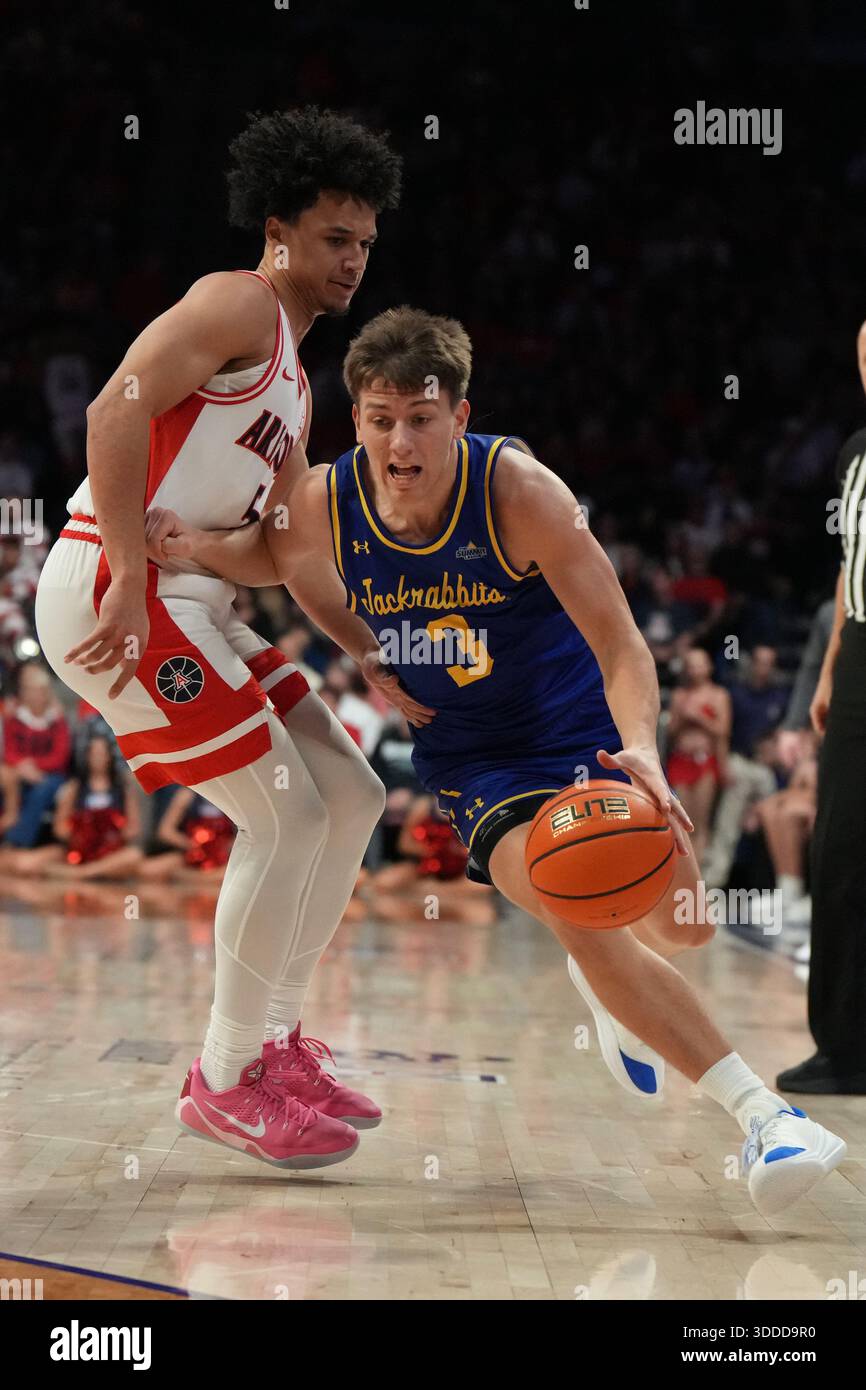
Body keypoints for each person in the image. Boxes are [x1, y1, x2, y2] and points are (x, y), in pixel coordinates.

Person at [146, 305, 847, 1214]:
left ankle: (600, 982)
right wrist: (200, 548)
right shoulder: (325, 499)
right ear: (355, 420)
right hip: (481, 763)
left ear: (459, 416)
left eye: (422, 418)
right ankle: (767, 1119)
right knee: (575, 905)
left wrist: (641, 749)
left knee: (683, 927)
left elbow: (624, 645)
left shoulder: (521, 493)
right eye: (381, 418)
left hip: (584, 735)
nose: (401, 440)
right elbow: (274, 557)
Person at [34, 108, 415, 1171]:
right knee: (285, 814)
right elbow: (116, 408)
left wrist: (370, 654)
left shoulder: (294, 385)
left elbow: (278, 555)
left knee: (351, 794)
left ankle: (277, 1042)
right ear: (281, 228)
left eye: (367, 245)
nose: (353, 260)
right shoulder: (236, 300)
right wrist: (129, 569)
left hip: (187, 594)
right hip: (116, 585)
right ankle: (223, 1076)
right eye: (337, 237)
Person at [777, 423, 866, 1093]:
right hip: (861, 647)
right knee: (841, 847)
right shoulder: (855, 449)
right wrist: (833, 662)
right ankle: (843, 1048)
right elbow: (849, 561)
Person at [2, 732, 143, 880]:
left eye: (101, 753)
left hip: (110, 853)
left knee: (134, 856)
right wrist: (81, 835)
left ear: (109, 756)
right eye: (94, 753)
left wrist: (110, 835)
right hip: (75, 851)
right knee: (26, 863)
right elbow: (59, 827)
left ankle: (81, 873)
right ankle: (88, 871)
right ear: (86, 756)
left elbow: (134, 828)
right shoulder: (74, 787)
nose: (98, 758)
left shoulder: (122, 789)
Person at [665, 647, 731, 869]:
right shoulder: (679, 696)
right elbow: (671, 732)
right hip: (681, 759)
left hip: (705, 761)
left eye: (700, 664)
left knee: (699, 823)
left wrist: (700, 718)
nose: (696, 669)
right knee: (681, 821)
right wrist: (683, 718)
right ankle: (681, 871)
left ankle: (698, 873)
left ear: (709, 667)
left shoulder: (718, 695)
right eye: (691, 665)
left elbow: (722, 731)